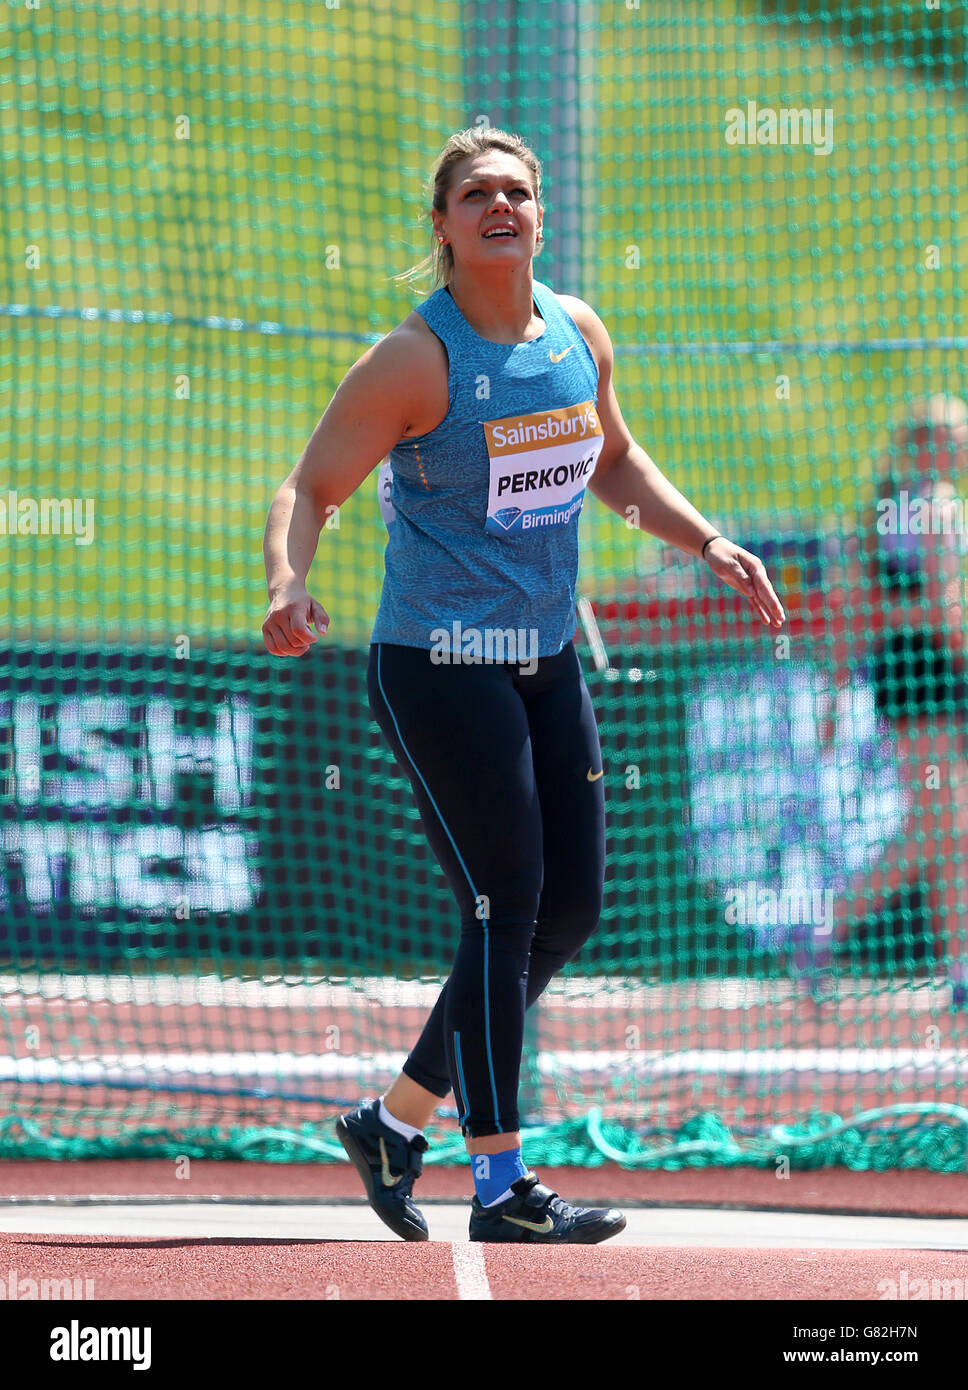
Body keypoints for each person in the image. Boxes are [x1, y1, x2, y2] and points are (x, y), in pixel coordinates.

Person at [261, 127, 785, 1243]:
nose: (500, 206)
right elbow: (308, 485)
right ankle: (498, 1186)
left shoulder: (575, 331)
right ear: (442, 223)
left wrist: (706, 543)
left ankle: (394, 1122)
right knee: (502, 902)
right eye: (475, 194)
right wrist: (287, 581)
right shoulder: (417, 359)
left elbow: (613, 461)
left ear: (540, 214)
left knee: (570, 906)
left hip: (546, 658)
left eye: (517, 191)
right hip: (439, 664)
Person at [825, 394, 968, 1006]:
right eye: (951, 436)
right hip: (929, 676)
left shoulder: (882, 509)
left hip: (906, 674)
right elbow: (944, 611)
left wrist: (837, 691)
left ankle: (958, 961)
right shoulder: (931, 506)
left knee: (949, 827)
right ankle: (828, 925)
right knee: (939, 823)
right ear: (924, 444)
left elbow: (855, 611)